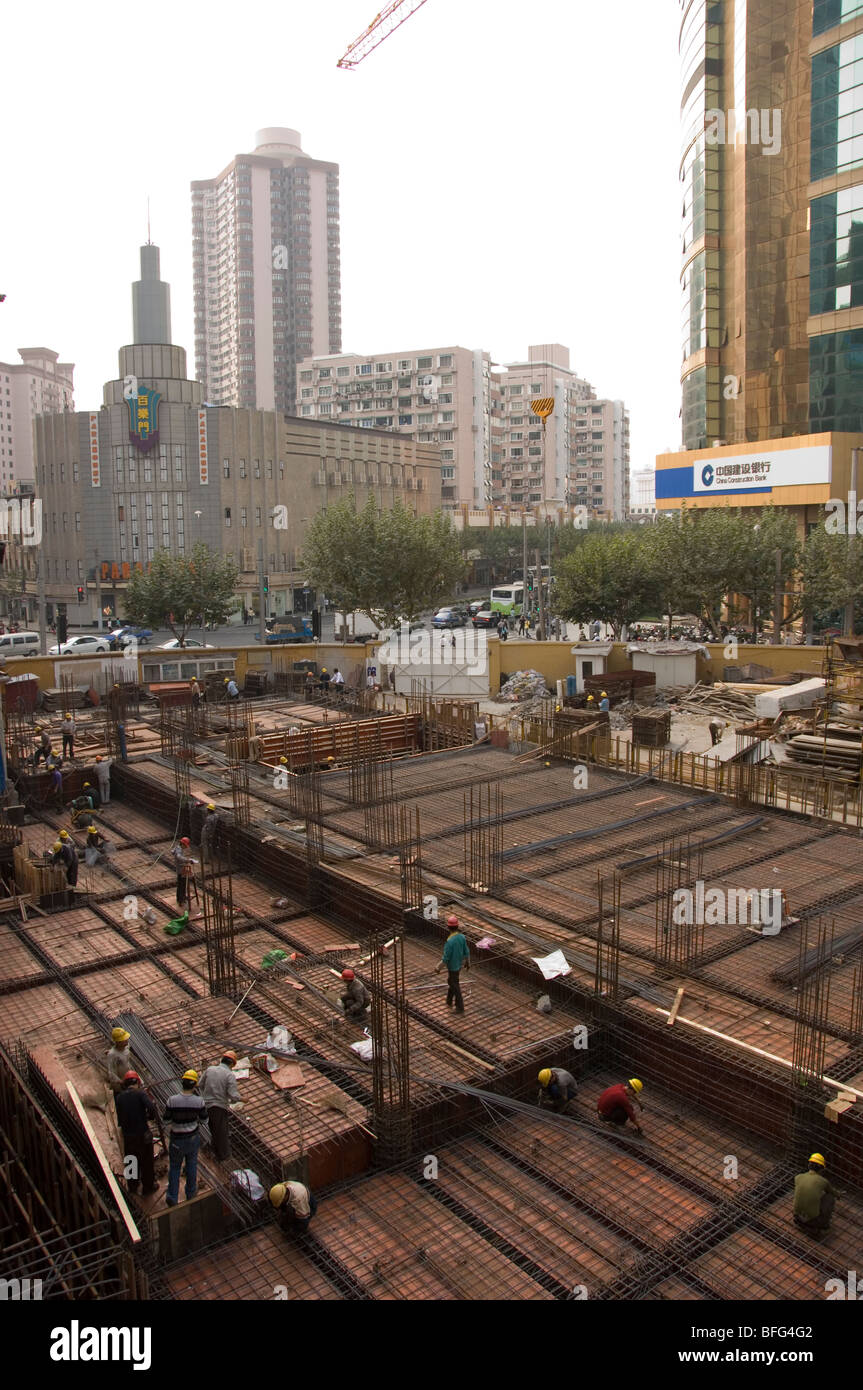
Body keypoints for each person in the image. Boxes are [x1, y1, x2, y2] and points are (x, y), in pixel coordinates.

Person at [163, 1070, 208, 1207]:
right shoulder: (199, 1102)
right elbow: (204, 1120)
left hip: (177, 1140)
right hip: (192, 1139)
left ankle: (172, 1196)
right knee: (191, 1166)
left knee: (175, 1168)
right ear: (194, 1085)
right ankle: (191, 1194)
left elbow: (165, 1120)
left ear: (182, 1083)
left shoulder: (172, 1100)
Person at [115, 1071, 160, 1197]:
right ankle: (148, 1187)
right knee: (146, 1161)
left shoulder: (119, 1097)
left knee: (130, 1159)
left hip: (128, 1135)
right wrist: (149, 1117)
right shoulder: (140, 1093)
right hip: (142, 1134)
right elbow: (151, 1108)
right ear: (137, 1083)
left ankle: (132, 1187)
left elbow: (120, 1118)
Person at [200, 1051, 241, 1162]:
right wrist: (241, 1099)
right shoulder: (229, 1075)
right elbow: (233, 1095)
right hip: (218, 1107)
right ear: (232, 1064)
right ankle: (223, 1158)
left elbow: (200, 1084)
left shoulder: (210, 1070)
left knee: (214, 1130)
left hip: (205, 1106)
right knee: (222, 1133)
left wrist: (207, 1095)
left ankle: (214, 1151)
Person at [793, 1153, 838, 1237]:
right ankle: (821, 1226)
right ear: (821, 1169)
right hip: (813, 1221)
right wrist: (839, 1194)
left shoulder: (798, 1177)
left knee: (805, 1192)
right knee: (830, 1198)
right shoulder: (823, 1181)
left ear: (809, 1165)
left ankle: (800, 1222)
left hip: (797, 1216)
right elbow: (834, 1193)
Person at [435, 914, 470, 1014]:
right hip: (458, 965)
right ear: (457, 926)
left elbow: (446, 958)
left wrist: (438, 968)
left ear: (448, 927)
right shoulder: (462, 937)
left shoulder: (450, 942)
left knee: (454, 984)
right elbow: (466, 951)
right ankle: (449, 1001)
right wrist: (468, 962)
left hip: (453, 967)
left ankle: (460, 1007)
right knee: (452, 981)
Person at [106, 1027, 133, 1093]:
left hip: (128, 1077)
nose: (127, 1040)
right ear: (119, 1042)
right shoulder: (112, 1055)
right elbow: (111, 1072)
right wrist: (121, 1082)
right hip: (120, 1085)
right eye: (124, 1039)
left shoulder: (126, 1047)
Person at [173, 836, 193, 908]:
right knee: (182, 885)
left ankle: (182, 898)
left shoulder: (178, 848)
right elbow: (178, 856)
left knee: (182, 884)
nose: (186, 847)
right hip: (181, 870)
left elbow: (172, 851)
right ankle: (181, 899)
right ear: (183, 844)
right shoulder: (179, 850)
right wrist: (187, 860)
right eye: (185, 845)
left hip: (180, 868)